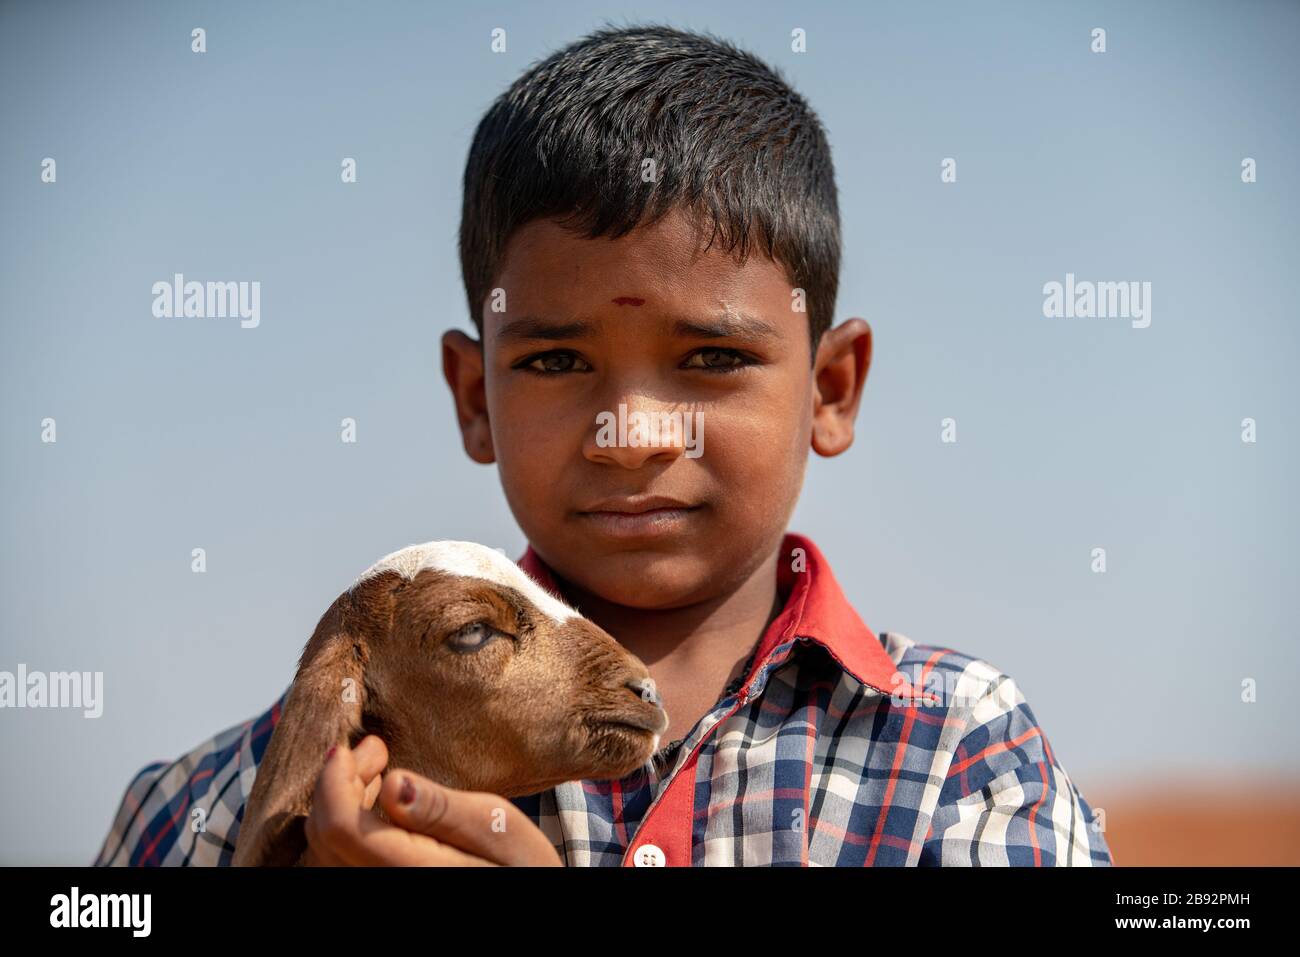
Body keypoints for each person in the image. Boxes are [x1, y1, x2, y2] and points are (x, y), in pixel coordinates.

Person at [95, 23, 1112, 867]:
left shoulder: (958, 756)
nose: (631, 437)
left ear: (830, 388)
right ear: (473, 395)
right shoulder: (212, 809)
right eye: (553, 364)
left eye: (711, 358)